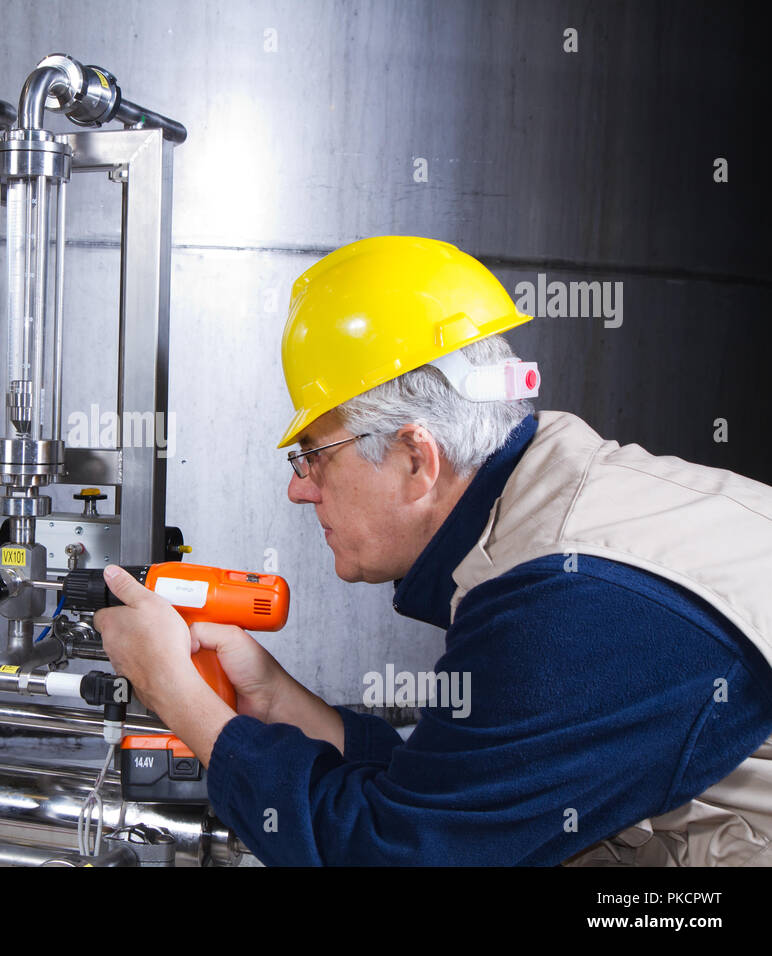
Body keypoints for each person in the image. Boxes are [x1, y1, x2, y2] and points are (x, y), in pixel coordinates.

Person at [95, 235, 772, 866]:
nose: (300, 492)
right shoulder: (550, 520)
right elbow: (461, 796)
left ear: (417, 457)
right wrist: (274, 699)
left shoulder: (571, 598)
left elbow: (397, 852)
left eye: (312, 457)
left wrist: (177, 693)